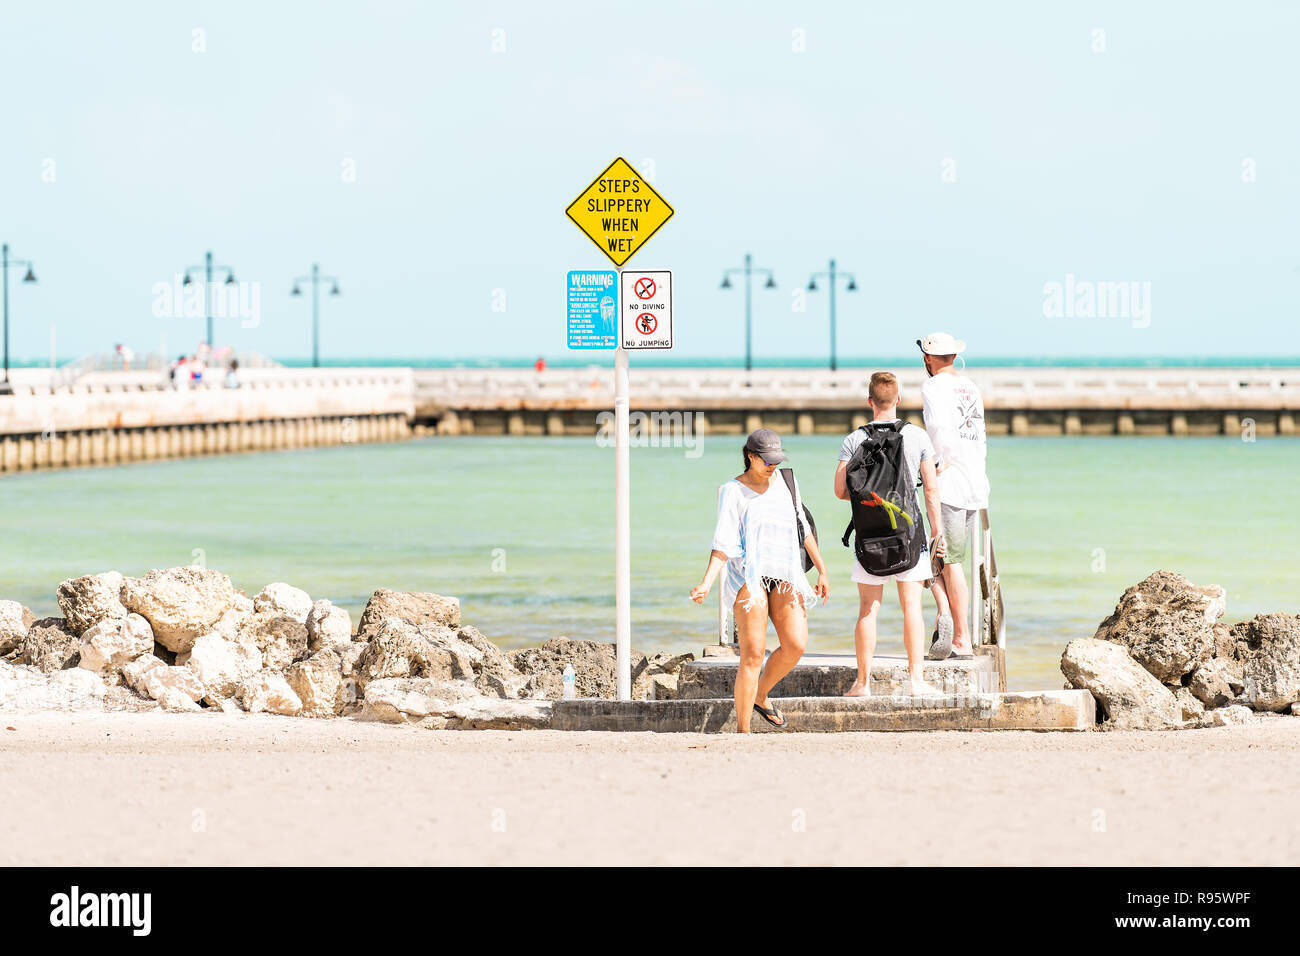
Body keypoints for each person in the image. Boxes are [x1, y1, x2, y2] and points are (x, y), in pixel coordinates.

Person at [690, 428, 828, 732]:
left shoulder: (785, 482)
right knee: (752, 654)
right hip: (748, 578)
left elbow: (802, 528)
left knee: (795, 644)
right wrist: (706, 583)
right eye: (766, 460)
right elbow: (723, 542)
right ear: (750, 456)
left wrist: (821, 568)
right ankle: (743, 731)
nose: (772, 466)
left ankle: (761, 695)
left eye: (776, 460)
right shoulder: (733, 490)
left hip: (785, 573)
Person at [834, 372, 946, 696]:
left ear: (870, 402)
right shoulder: (919, 437)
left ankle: (863, 684)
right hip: (909, 534)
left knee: (868, 609)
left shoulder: (853, 440)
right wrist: (937, 533)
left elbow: (841, 491)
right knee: (912, 607)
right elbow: (931, 491)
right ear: (898, 400)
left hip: (869, 537)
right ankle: (916, 682)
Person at [917, 332, 990, 661]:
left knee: (947, 559)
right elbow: (979, 432)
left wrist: (935, 461)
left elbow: (936, 427)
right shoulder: (971, 386)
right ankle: (947, 620)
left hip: (950, 483)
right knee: (952, 560)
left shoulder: (932, 387)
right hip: (976, 482)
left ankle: (960, 636)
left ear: (929, 359)